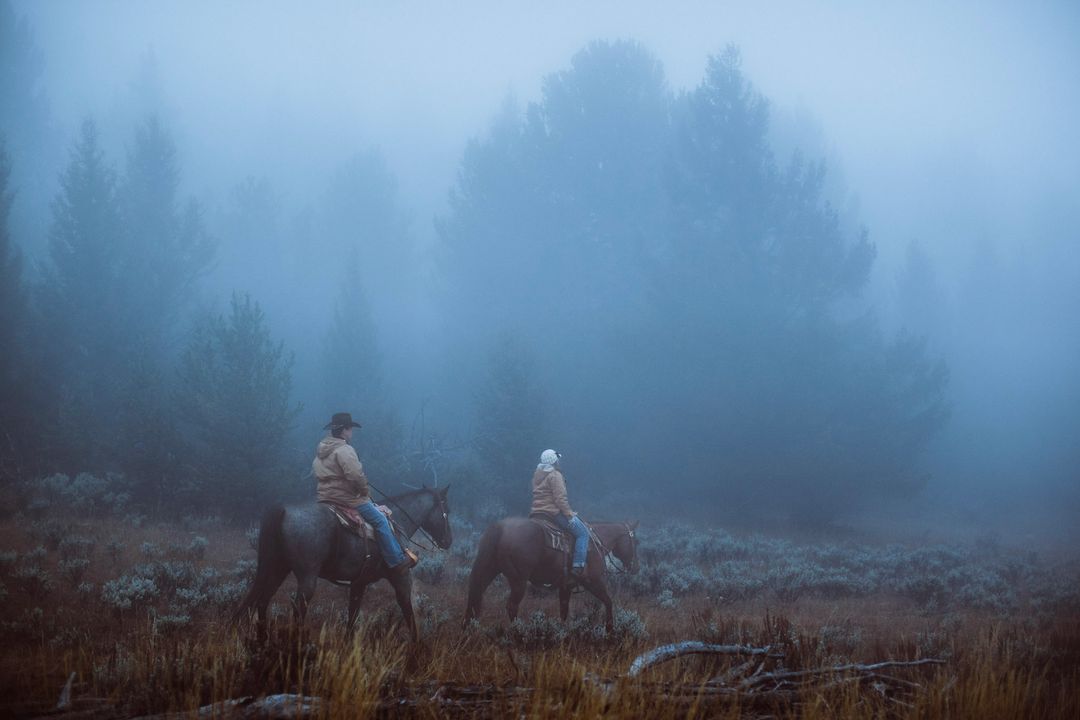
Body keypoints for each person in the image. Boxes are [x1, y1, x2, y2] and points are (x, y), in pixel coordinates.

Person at [313, 412, 417, 573]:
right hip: (347, 499)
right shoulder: (344, 450)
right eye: (350, 429)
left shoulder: (321, 451)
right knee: (380, 520)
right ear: (344, 431)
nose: (351, 433)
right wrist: (364, 490)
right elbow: (355, 475)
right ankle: (396, 560)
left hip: (325, 497)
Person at [530, 448, 589, 577]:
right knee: (583, 533)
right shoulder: (555, 475)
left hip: (537, 512)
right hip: (553, 513)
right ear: (555, 461)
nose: (559, 462)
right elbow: (560, 499)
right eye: (558, 460)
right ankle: (578, 566)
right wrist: (569, 515)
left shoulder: (537, 473)